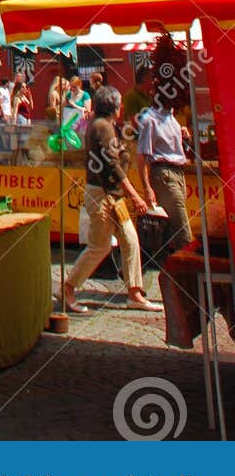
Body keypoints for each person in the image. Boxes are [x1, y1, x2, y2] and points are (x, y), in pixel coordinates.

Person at [64, 85, 160, 313]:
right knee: (99, 246)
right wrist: (136, 195)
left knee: (130, 239)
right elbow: (113, 167)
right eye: (120, 105)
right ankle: (68, 288)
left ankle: (134, 293)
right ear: (114, 106)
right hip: (103, 195)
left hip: (113, 197)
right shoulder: (102, 127)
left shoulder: (106, 126)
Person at [136, 81, 193, 259]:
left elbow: (180, 151)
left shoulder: (172, 117)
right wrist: (147, 187)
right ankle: (190, 276)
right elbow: (142, 156)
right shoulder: (149, 120)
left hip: (177, 173)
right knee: (183, 230)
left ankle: (176, 272)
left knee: (174, 229)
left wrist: (186, 140)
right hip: (164, 174)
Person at [122, 64, 154, 130]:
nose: (154, 81)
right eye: (152, 78)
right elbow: (134, 124)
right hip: (137, 138)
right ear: (145, 79)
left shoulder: (150, 96)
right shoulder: (131, 96)